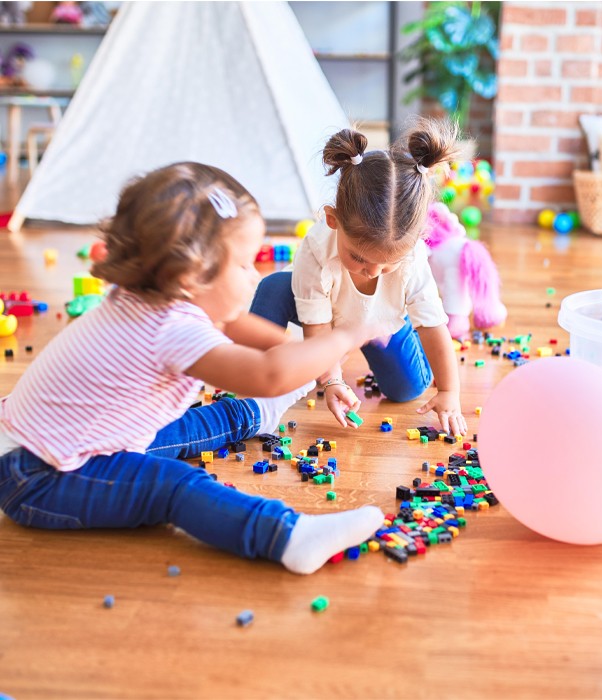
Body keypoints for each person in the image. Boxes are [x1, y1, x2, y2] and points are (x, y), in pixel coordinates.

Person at [0, 162, 385, 575]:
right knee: (172, 487)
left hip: (64, 440)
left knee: (180, 429)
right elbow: (269, 375)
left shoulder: (154, 294)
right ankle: (288, 536)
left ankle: (256, 415)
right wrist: (341, 340)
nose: (254, 274)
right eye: (243, 264)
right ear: (189, 276)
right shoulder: (171, 329)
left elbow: (234, 322)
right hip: (39, 476)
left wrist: (290, 347)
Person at [250, 119, 469, 437]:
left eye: (386, 265)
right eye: (359, 257)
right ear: (332, 219)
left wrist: (450, 391)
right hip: (330, 317)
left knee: (406, 390)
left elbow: (435, 327)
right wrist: (333, 380)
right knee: (273, 286)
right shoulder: (317, 247)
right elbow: (317, 327)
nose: (372, 271)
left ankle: (384, 343)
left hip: (382, 323)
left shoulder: (413, 259)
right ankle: (256, 371)